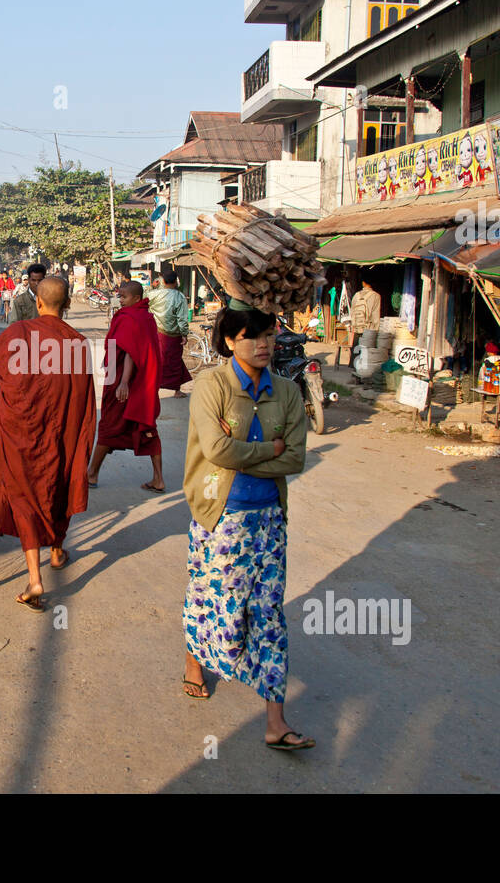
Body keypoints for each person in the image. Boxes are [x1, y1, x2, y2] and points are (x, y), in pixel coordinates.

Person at [180, 303, 311, 751]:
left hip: (270, 518)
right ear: (231, 341)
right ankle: (196, 661)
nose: (265, 345)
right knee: (215, 600)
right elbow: (216, 451)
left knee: (269, 614)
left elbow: (296, 457)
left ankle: (276, 720)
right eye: (253, 336)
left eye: (270, 336)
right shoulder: (211, 385)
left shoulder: (289, 392)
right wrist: (267, 450)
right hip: (221, 515)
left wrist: (249, 451)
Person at [0, 276, 96, 612]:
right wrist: (80, 435)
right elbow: (85, 399)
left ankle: (34, 578)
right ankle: (57, 550)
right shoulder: (77, 344)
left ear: (38, 302)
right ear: (69, 304)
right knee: (59, 486)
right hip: (62, 434)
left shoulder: (14, 336)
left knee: (23, 496)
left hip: (21, 433)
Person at [88, 281, 164, 492]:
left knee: (109, 425)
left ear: (137, 299)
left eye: (124, 297)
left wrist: (123, 382)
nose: (121, 301)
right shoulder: (145, 317)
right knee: (146, 427)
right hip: (142, 384)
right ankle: (158, 478)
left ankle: (92, 473)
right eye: (119, 296)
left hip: (127, 382)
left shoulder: (131, 317)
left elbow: (131, 351)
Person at [148, 269, 193, 398]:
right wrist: (184, 334)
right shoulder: (179, 296)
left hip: (158, 333)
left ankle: (154, 388)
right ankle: (176, 390)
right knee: (175, 362)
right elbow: (182, 318)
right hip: (174, 335)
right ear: (175, 281)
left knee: (157, 360)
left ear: (163, 281)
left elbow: (145, 304)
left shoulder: (154, 294)